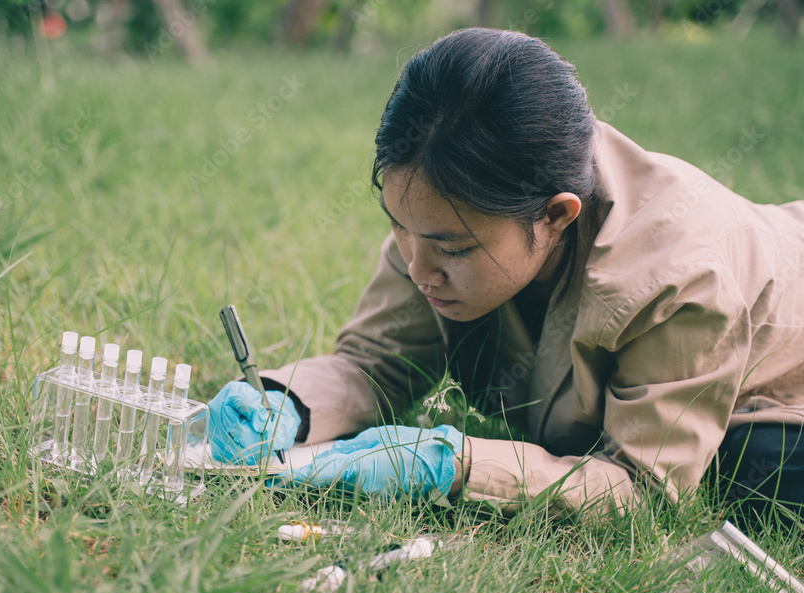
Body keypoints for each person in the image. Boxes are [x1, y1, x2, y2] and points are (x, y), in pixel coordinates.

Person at [207, 28, 804, 518]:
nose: (418, 269)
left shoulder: (680, 279)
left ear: (555, 215)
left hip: (786, 387)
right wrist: (290, 401)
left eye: (453, 250)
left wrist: (461, 467)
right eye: (398, 225)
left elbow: (643, 490)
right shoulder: (448, 209)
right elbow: (375, 362)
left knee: (755, 475)